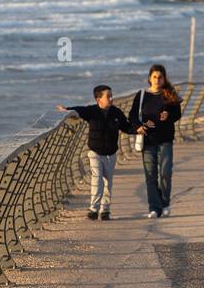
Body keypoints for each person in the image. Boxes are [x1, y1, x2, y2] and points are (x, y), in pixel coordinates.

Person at [57, 84, 141, 221]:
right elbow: (78, 111)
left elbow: (126, 127)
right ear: (98, 99)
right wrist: (66, 110)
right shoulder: (92, 111)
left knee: (108, 183)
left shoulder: (116, 112)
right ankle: (93, 209)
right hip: (94, 152)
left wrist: (138, 130)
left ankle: (105, 211)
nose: (111, 98)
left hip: (111, 153)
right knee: (97, 180)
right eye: (108, 96)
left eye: (111, 95)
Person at [130, 65, 182, 219]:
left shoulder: (169, 95)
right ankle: (154, 207)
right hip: (148, 140)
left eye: (160, 77)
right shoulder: (141, 95)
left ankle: (165, 204)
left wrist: (169, 115)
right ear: (149, 78)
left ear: (164, 79)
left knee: (165, 173)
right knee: (150, 175)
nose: (157, 80)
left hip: (165, 139)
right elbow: (132, 116)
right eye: (154, 77)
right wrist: (138, 127)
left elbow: (177, 113)